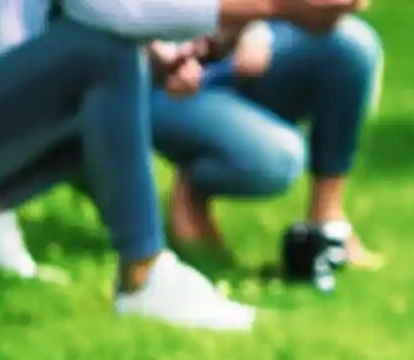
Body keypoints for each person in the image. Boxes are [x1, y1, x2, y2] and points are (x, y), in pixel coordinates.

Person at [0, 0, 359, 331]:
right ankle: (143, 273)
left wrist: (157, 59)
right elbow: (114, 9)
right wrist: (274, 5)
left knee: (112, 63)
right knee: (105, 48)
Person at [147, 6, 386, 271]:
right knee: (279, 159)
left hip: (219, 55)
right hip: (151, 81)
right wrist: (166, 59)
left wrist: (251, 26)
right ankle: (192, 188)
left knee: (351, 45)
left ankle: (327, 219)